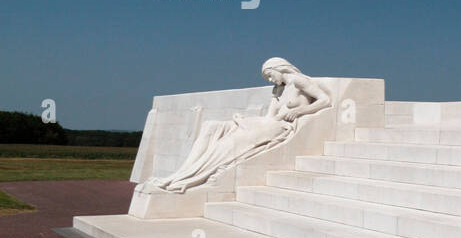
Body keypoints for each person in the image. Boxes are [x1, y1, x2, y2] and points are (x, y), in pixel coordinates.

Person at [138, 57, 331, 194]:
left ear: (280, 68)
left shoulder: (299, 81)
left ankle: (190, 178)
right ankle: (182, 173)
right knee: (211, 127)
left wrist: (299, 111)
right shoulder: (277, 89)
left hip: (280, 128)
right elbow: (268, 117)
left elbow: (325, 100)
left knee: (227, 143)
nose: (271, 80)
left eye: (271, 75)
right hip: (267, 124)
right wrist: (245, 119)